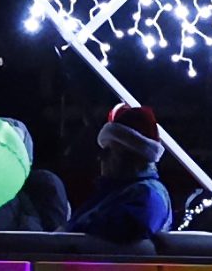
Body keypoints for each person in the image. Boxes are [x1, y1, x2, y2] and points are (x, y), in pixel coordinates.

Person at [65, 104, 172, 244]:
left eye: (109, 151)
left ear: (133, 156)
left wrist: (77, 229)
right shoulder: (112, 194)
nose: (100, 158)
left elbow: (133, 226)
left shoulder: (148, 194)